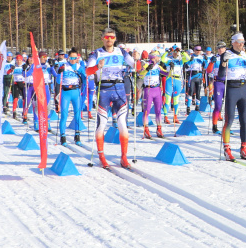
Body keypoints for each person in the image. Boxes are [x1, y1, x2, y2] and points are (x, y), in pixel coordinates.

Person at [86, 27, 137, 169]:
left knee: (123, 125)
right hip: (103, 90)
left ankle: (124, 157)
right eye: (107, 37)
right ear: (102, 38)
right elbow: (87, 71)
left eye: (112, 37)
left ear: (115, 39)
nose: (109, 40)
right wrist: (97, 66)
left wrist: (139, 61)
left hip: (120, 89)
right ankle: (101, 156)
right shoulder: (96, 53)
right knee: (102, 124)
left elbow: (136, 66)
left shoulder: (122, 52)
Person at [217, 33, 246, 160]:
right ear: (233, 42)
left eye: (243, 42)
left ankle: (244, 148)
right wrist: (224, 62)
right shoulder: (226, 54)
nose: (241, 44)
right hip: (231, 89)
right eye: (239, 42)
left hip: (243, 89)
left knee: (244, 120)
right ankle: (227, 149)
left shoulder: (245, 54)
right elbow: (221, 75)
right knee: (229, 120)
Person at [55, 49, 86, 144]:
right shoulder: (64, 66)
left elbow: (85, 80)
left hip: (76, 92)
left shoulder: (79, 67)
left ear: (77, 58)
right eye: (71, 58)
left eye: (75, 58)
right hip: (66, 93)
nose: (73, 60)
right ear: (68, 57)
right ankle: (63, 137)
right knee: (64, 115)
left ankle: (77, 136)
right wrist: (59, 72)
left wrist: (83, 91)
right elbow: (57, 81)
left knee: (77, 115)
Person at [138, 50, 167, 138]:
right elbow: (140, 75)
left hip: (157, 89)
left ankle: (159, 129)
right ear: (154, 57)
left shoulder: (158, 66)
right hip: (148, 89)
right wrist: (146, 69)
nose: (159, 58)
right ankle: (146, 129)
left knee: (158, 110)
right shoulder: (146, 64)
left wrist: (171, 69)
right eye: (158, 56)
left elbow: (166, 73)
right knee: (147, 110)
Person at [210, 41, 228, 134]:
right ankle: (214, 126)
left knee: (228, 106)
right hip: (218, 83)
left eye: (222, 47)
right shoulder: (215, 58)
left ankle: (227, 127)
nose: (220, 49)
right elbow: (208, 70)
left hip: (228, 83)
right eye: (218, 48)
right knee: (218, 105)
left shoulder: (229, 57)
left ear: (225, 48)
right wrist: (211, 63)